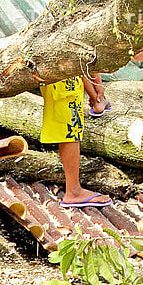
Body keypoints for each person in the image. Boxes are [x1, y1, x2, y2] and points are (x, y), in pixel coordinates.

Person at [40, 75, 112, 208]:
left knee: (68, 128)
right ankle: (74, 192)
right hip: (64, 80)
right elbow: (89, 62)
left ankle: (74, 189)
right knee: (71, 129)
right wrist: (98, 93)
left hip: (61, 78)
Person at [83, 34, 143, 116]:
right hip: (119, 70)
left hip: (97, 69)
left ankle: (97, 100)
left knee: (85, 64)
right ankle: (98, 100)